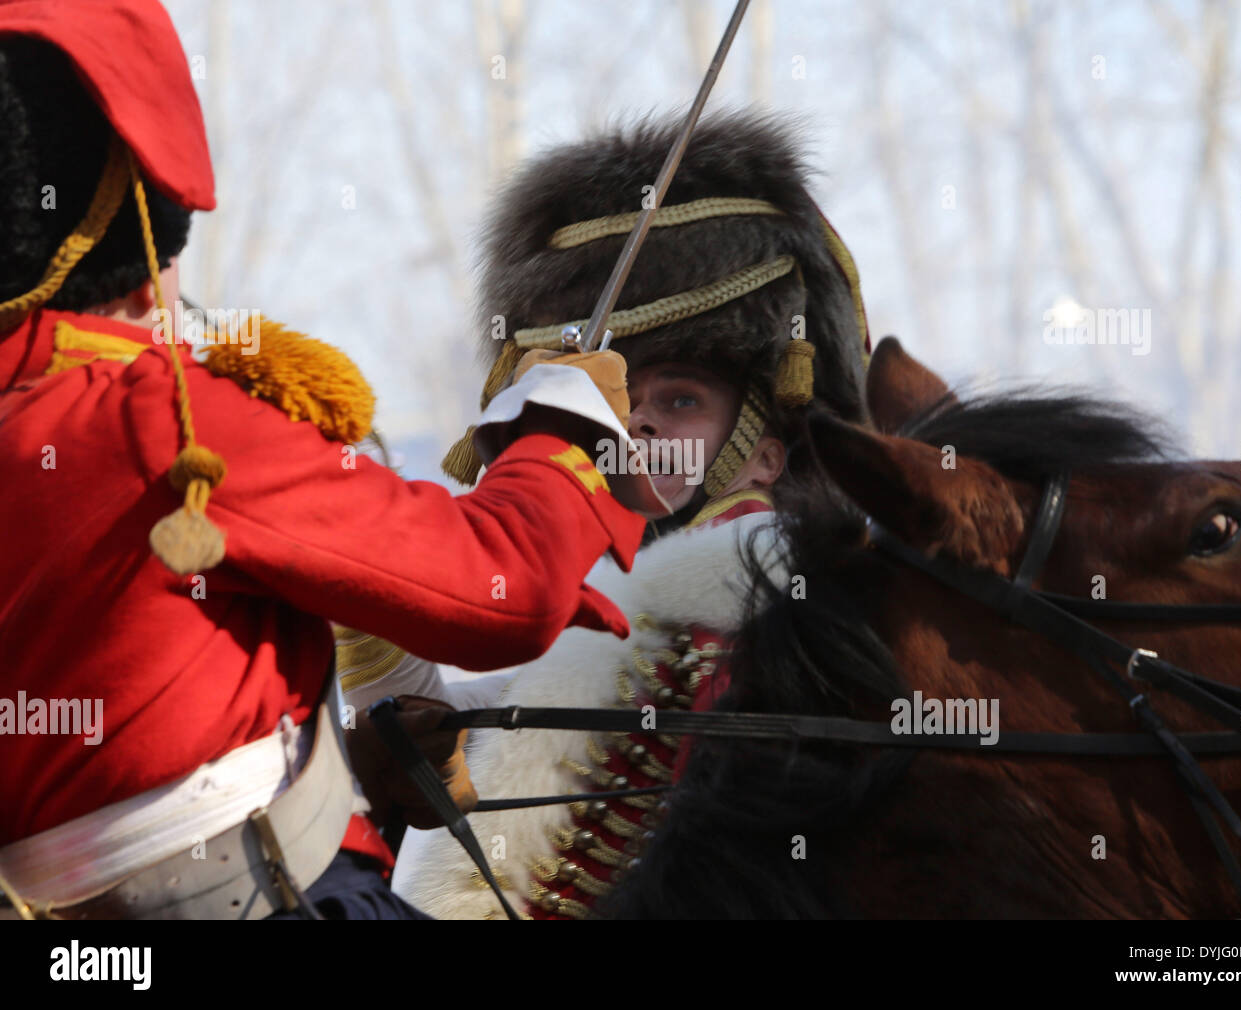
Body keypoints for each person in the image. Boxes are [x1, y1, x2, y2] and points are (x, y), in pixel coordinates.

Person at [0, 0, 652, 920]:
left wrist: (352, 764)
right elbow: (502, 589)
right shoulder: (169, 418)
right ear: (137, 225)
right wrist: (561, 435)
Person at [382, 111, 873, 918]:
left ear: (763, 452)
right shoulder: (608, 602)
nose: (637, 425)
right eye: (618, 400)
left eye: (680, 398)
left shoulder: (782, 622)